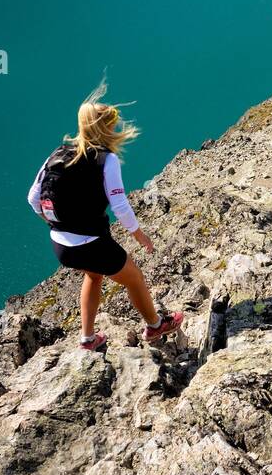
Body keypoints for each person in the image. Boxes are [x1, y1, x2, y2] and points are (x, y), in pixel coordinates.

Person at [28, 83, 183, 352]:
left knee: (94, 276)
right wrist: (139, 235)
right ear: (104, 128)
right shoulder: (105, 159)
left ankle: (87, 340)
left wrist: (58, 224)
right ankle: (155, 325)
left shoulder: (57, 153)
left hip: (61, 245)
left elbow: (33, 199)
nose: (115, 128)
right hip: (89, 242)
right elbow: (120, 204)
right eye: (111, 124)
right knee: (134, 276)